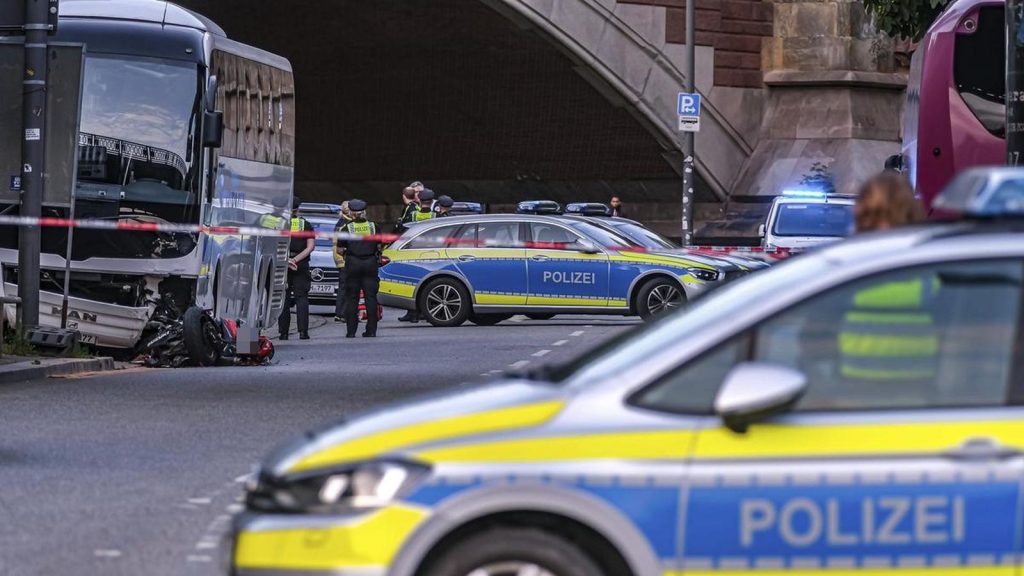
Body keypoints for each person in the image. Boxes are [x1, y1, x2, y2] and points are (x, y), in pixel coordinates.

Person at [839, 172, 934, 383]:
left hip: (852, 394)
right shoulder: (931, 269)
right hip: (919, 396)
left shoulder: (846, 271)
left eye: (870, 215)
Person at [338, 199, 381, 338]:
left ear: (351, 212)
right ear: (364, 212)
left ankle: (351, 331)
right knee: (371, 297)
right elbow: (380, 246)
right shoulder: (374, 226)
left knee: (352, 298)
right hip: (370, 263)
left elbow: (339, 250)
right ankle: (372, 330)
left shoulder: (346, 228)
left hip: (353, 263)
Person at [278, 199, 315, 340]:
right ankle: (303, 332)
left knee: (284, 299)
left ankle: (283, 333)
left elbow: (273, 244)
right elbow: (310, 246)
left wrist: (286, 260)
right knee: (302, 298)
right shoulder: (305, 224)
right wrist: (296, 259)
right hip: (301, 264)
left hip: (282, 263)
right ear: (297, 209)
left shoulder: (279, 223)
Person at [333, 201, 354, 322]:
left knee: (343, 287)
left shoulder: (341, 222)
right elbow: (340, 245)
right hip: (344, 259)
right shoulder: (344, 225)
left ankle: (340, 313)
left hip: (340, 259)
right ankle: (342, 313)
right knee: (346, 287)